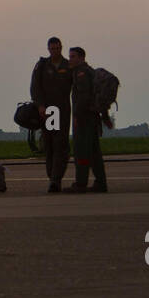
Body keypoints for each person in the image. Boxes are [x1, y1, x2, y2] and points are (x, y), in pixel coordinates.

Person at [30, 37, 72, 192]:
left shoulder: (68, 66)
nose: (55, 51)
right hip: (49, 112)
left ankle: (56, 179)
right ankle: (52, 178)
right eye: (52, 48)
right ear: (48, 49)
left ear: (61, 48)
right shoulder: (42, 66)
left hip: (63, 109)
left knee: (61, 145)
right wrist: (40, 105)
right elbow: (35, 87)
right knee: (50, 145)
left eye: (57, 48)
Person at [65, 47, 107, 192]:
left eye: (72, 57)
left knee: (82, 152)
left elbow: (83, 97)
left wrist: (77, 115)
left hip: (84, 119)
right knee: (94, 153)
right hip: (92, 118)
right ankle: (101, 182)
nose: (70, 59)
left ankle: (81, 183)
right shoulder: (90, 71)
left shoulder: (81, 73)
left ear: (81, 58)